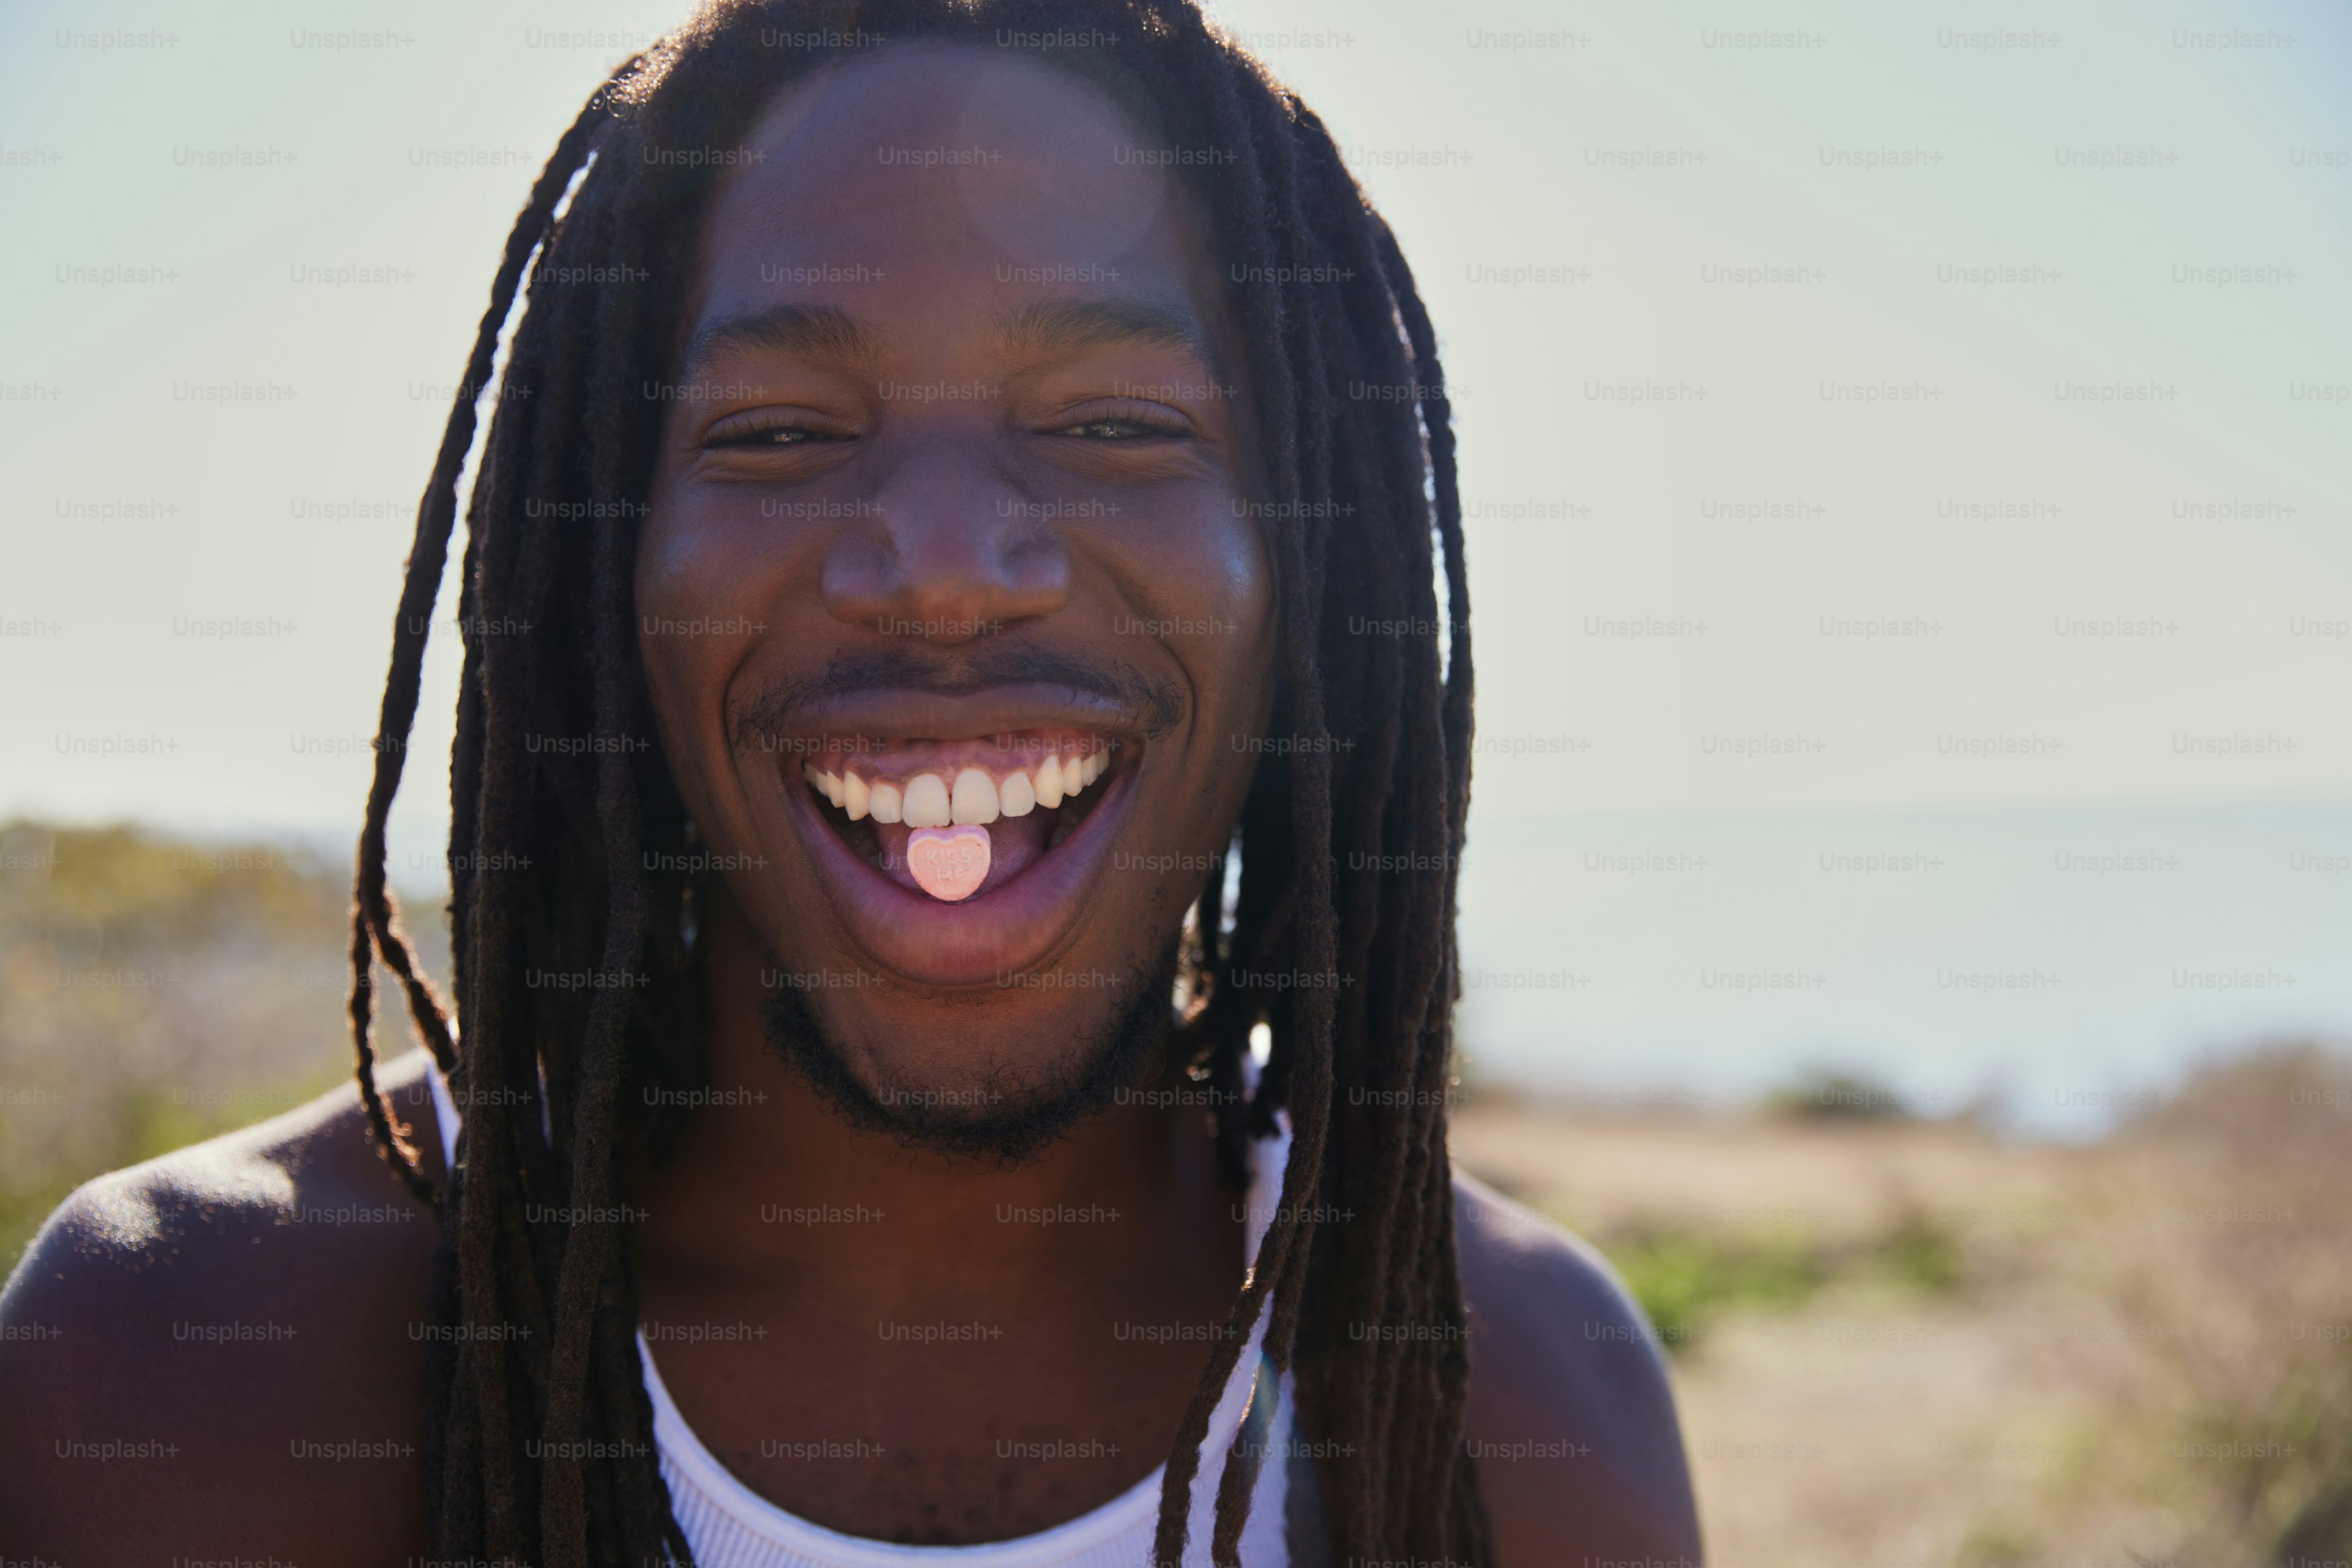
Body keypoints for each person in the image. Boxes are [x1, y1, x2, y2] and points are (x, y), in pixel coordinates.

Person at [0, 3, 1701, 1563]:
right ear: (602, 568)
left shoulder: (1527, 1409)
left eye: (1115, 425)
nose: (947, 567)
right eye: (779, 433)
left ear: (1306, 572)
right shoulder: (190, 1365)